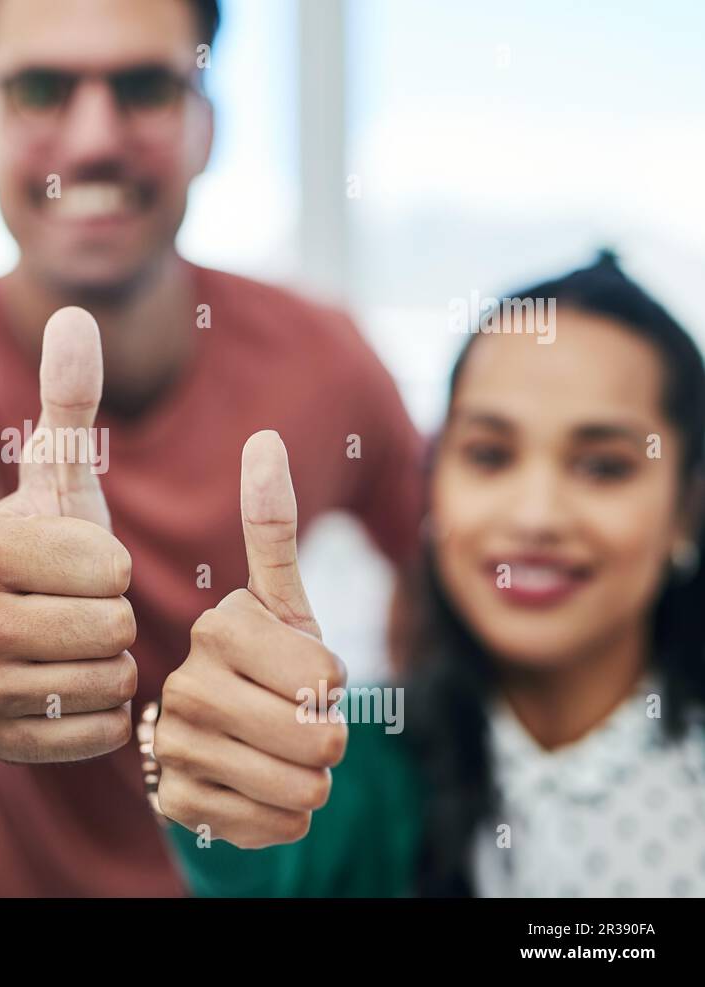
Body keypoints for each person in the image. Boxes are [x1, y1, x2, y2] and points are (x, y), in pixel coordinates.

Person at [0, 0, 425, 896]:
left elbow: (450, 580)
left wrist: (359, 742)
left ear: (208, 124)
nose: (94, 139)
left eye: (144, 87)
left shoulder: (323, 361)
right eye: (40, 89)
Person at [156, 252, 705, 896]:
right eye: (489, 455)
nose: (535, 516)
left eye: (604, 467)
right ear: (433, 485)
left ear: (687, 511)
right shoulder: (338, 756)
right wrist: (208, 774)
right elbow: (254, 862)